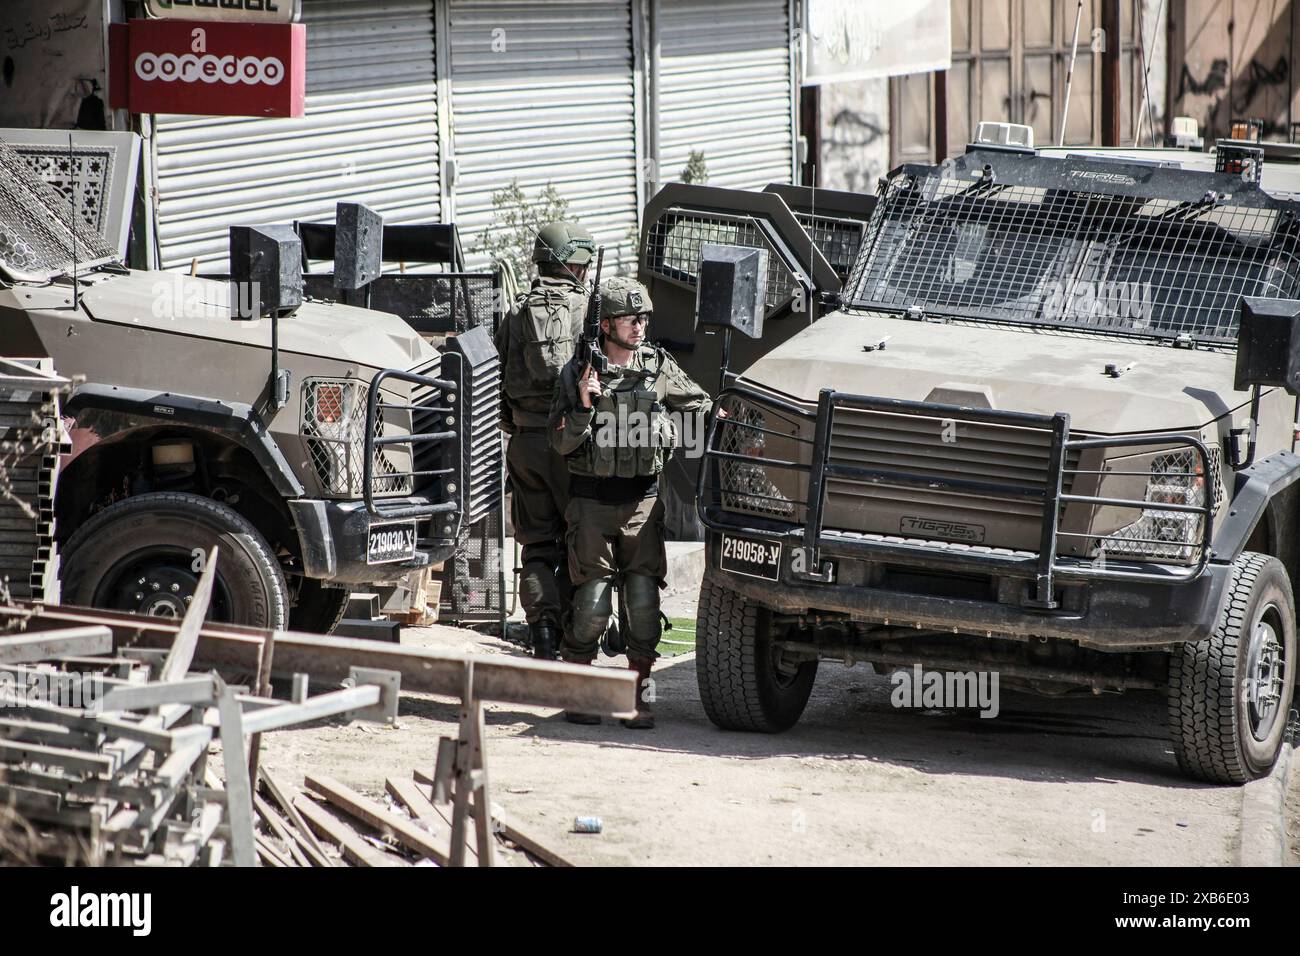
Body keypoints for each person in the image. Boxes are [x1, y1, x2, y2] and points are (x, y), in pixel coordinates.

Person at [549, 276, 716, 728]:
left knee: (642, 606)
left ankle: (638, 698)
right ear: (605, 325)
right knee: (592, 608)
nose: (639, 326)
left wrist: (723, 416)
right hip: (591, 505)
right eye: (629, 319)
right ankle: (580, 693)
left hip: (643, 503)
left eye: (643, 318)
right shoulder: (577, 371)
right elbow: (560, 442)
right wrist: (584, 406)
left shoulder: (659, 367)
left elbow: (699, 404)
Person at [494, 221, 596, 660]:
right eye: (582, 263)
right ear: (570, 263)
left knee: (536, 543)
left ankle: (542, 634)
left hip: (525, 443)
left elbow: (496, 376)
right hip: (572, 443)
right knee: (580, 541)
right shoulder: (588, 308)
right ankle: (577, 635)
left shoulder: (516, 312)